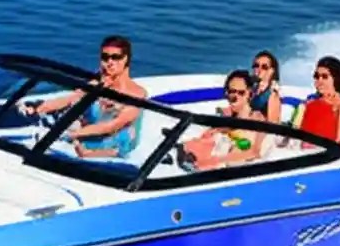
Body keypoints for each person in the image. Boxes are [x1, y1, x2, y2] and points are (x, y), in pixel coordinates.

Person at [20, 35, 148, 158]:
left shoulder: (136, 93)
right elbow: (69, 99)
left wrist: (68, 134)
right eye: (105, 57)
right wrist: (38, 109)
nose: (110, 62)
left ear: (126, 59)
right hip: (85, 140)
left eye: (116, 57)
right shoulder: (97, 84)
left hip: (114, 150)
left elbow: (112, 126)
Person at [177, 70, 265, 170]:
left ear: (250, 94)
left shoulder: (256, 119)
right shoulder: (226, 117)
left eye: (241, 92)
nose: (235, 97)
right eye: (232, 91)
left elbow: (252, 152)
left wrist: (210, 161)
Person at [249, 51, 283, 124]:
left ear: (271, 71)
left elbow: (273, 124)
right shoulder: (251, 89)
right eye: (256, 65)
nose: (259, 69)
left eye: (264, 67)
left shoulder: (273, 95)